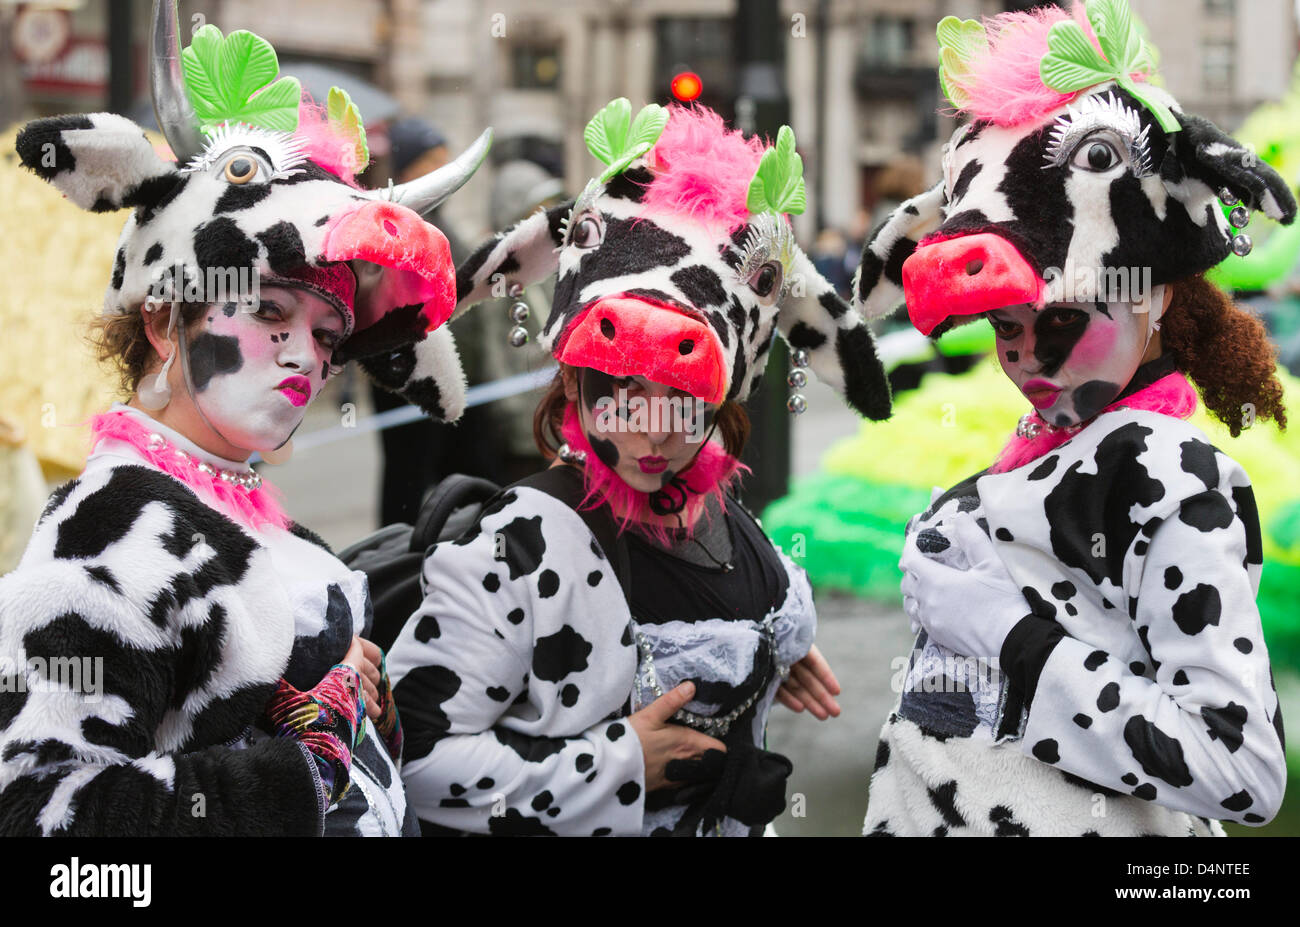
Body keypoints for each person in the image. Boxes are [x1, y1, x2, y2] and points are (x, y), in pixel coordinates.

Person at [0, 5, 487, 835]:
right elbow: (53, 834)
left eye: (328, 334)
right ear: (163, 320)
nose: (305, 355)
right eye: (267, 311)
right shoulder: (108, 540)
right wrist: (290, 769)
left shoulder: (273, 531)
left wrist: (355, 698)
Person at [385, 100, 893, 835]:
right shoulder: (520, 543)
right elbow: (415, 756)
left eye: (684, 398)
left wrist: (767, 651)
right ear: (574, 372)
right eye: (621, 388)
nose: (652, 430)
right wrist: (619, 765)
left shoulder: (717, 505)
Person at [854, 1, 1293, 835]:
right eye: (1005, 328)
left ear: (1151, 297)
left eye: (1060, 321)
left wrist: (1013, 640)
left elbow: (1240, 768)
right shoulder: (1052, 451)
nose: (1026, 361)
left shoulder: (1166, 470)